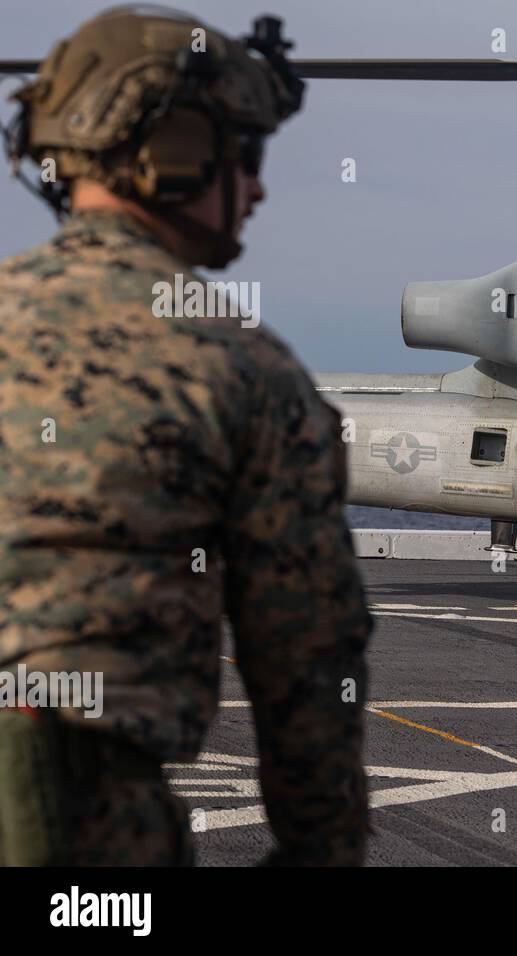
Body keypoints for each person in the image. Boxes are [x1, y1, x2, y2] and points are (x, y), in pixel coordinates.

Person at [0, 7, 372, 865]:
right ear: (171, 152)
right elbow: (308, 659)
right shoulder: (241, 368)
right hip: (82, 835)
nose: (258, 188)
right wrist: (320, 849)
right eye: (245, 155)